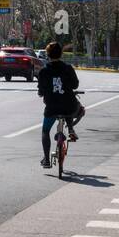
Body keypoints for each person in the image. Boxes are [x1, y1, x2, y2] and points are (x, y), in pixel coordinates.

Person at [37, 41, 84, 169]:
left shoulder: (43, 71)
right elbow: (75, 85)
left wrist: (43, 93)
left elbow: (40, 91)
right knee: (73, 108)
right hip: (69, 105)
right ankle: (71, 129)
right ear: (61, 54)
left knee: (45, 131)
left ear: (48, 54)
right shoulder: (68, 68)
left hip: (51, 108)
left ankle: (46, 160)